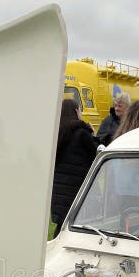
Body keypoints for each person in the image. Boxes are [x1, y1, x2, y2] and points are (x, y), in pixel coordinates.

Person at [51, 99, 98, 237]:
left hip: (59, 192)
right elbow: (95, 156)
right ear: (76, 111)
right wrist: (94, 136)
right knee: (78, 230)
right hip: (77, 190)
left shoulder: (56, 133)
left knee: (61, 229)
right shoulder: (82, 133)